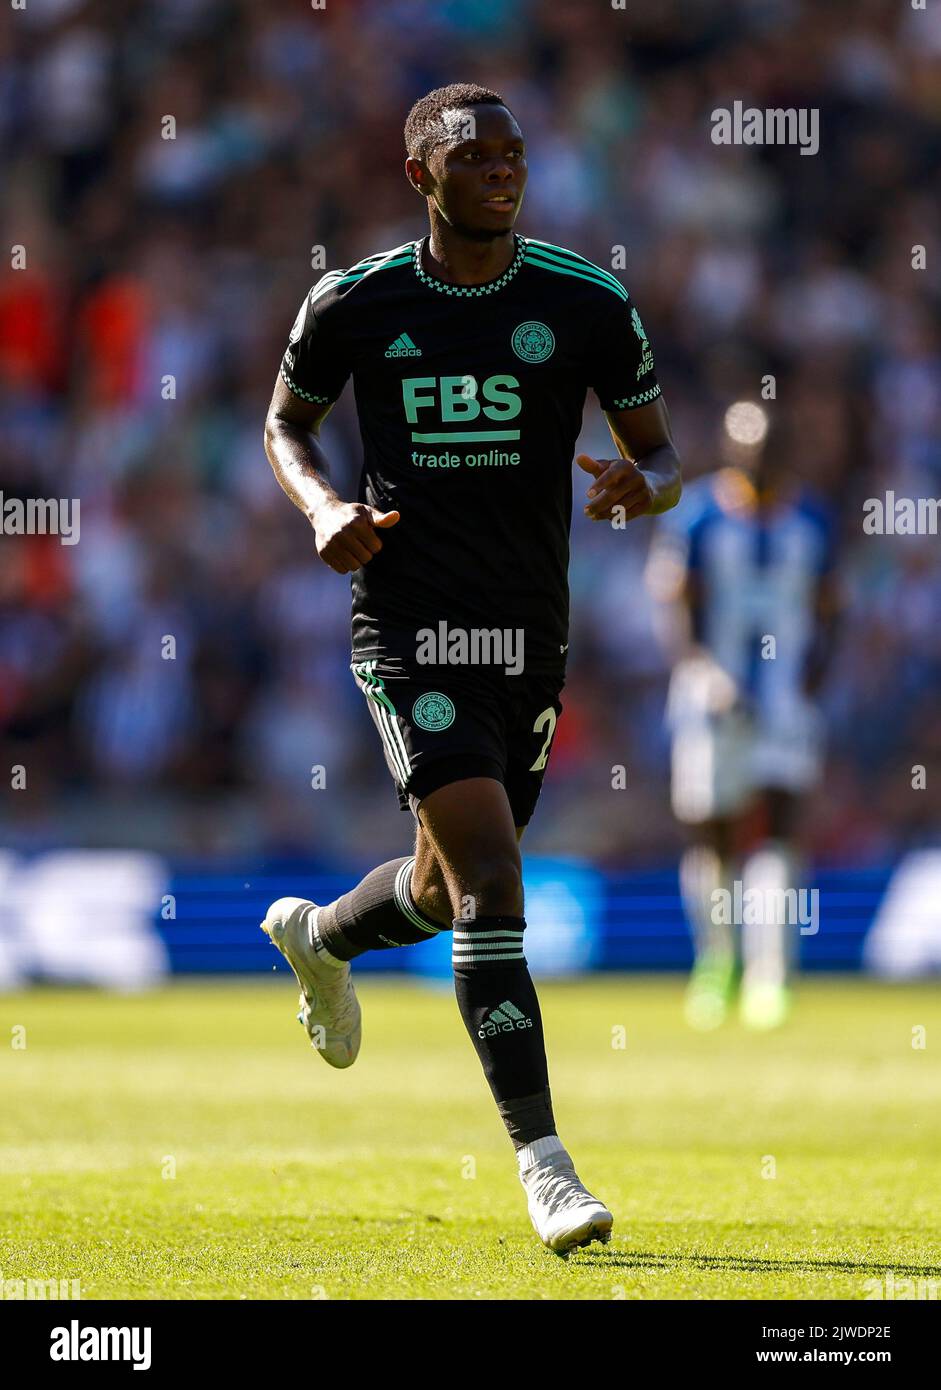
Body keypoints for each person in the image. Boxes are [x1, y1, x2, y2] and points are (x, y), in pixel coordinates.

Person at [261, 83, 681, 1254]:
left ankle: (324, 938)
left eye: (515, 154)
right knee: (495, 880)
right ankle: (546, 1165)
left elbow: (665, 456)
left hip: (528, 640)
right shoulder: (353, 303)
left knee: (447, 890)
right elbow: (283, 425)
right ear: (418, 175)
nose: (504, 170)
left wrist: (640, 485)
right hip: (409, 629)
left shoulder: (584, 299)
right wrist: (321, 506)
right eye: (475, 155)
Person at [648, 409, 837, 1031]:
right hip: (712, 696)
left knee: (780, 823)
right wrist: (699, 671)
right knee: (712, 831)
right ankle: (716, 963)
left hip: (784, 700)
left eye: (772, 447)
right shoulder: (699, 515)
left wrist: (814, 679)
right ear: (732, 449)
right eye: (751, 447)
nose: (761, 459)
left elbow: (831, 607)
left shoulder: (812, 519)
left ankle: (771, 974)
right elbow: (676, 602)